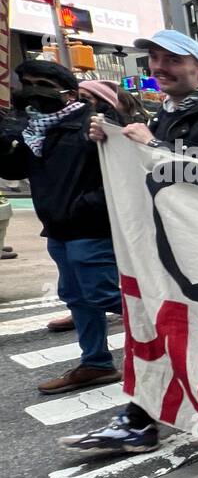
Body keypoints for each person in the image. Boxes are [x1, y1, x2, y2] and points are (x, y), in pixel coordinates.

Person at [63, 29, 198, 455]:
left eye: (173, 60)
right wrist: (114, 144)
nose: (160, 67)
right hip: (171, 251)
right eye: (155, 59)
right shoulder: (163, 115)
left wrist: (156, 148)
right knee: (161, 328)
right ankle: (140, 417)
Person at [0, 62, 127, 394]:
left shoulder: (95, 126)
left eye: (41, 83)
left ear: (69, 93)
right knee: (77, 297)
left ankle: (178, 337)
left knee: (105, 294)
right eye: (26, 83)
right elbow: (13, 170)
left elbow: (121, 176)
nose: (31, 90)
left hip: (91, 228)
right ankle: (97, 363)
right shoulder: (34, 130)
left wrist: (85, 208)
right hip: (58, 230)